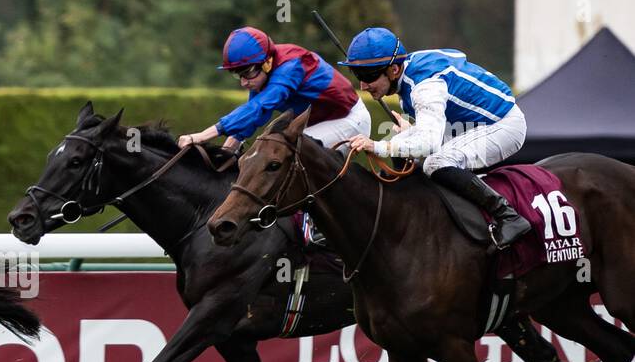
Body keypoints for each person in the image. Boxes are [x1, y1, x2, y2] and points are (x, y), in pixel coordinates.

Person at [340, 27, 530, 249]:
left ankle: (507, 215)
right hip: (470, 126)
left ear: (393, 70)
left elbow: (428, 144)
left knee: (435, 162)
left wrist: (378, 146)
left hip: (503, 125)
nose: (363, 85)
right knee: (404, 141)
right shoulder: (408, 71)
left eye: (368, 76)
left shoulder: (425, 86)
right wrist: (409, 133)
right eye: (357, 75)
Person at [177, 26, 370, 153]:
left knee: (283, 154)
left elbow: (258, 108)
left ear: (267, 63)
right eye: (238, 74)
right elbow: (252, 119)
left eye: (247, 73)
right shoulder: (261, 74)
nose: (244, 82)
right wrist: (225, 154)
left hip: (349, 120)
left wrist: (200, 136)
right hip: (318, 123)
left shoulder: (290, 68)